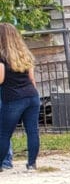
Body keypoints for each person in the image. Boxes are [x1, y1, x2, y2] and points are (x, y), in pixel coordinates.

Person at [0, 23, 42, 172]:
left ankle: (1, 164)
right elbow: (32, 78)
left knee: (4, 133)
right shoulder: (25, 54)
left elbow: (1, 79)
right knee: (32, 131)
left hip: (13, 98)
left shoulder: (2, 56)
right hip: (31, 95)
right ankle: (31, 164)